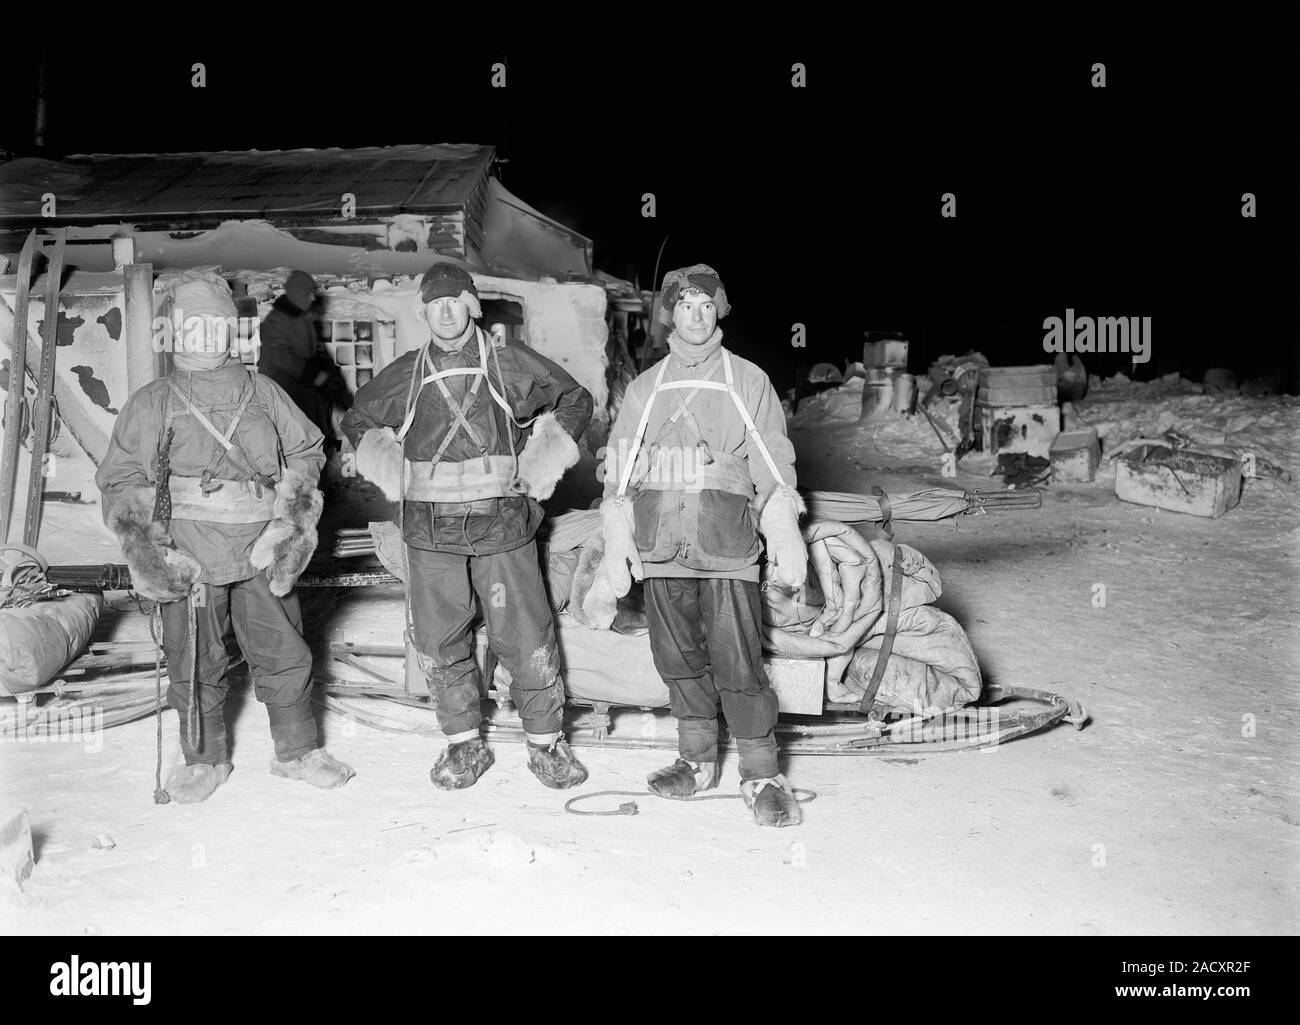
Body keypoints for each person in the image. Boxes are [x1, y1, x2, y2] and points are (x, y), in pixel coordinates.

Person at [95, 272, 353, 803]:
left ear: (232, 332)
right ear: (175, 332)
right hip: (187, 547)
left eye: (216, 326)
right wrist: (151, 552)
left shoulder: (263, 391)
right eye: (194, 326)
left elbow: (307, 453)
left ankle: (299, 749)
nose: (206, 336)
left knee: (284, 648)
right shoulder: (153, 401)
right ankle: (203, 759)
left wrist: (289, 524)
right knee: (193, 655)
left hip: (261, 541)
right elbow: (121, 480)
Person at [340, 262, 593, 791]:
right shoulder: (407, 373)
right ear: (424, 311)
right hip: (430, 535)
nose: (447, 311)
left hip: (502, 528)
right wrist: (392, 469)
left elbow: (575, 399)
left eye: (456, 300)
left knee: (524, 633)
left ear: (472, 306)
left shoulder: (508, 363)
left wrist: (541, 461)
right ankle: (463, 744)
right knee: (439, 639)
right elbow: (358, 419)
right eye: (436, 303)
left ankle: (547, 744)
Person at [600, 263, 809, 827]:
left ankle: (762, 772)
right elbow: (618, 465)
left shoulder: (748, 380)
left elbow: (773, 461)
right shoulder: (647, 387)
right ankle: (695, 761)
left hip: (727, 544)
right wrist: (617, 524)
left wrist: (783, 522)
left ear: (719, 312)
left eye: (707, 306)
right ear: (671, 314)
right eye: (686, 306)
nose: (697, 316)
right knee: (677, 658)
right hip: (661, 543)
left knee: (738, 658)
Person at [256, 269, 332, 439]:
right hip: (282, 395)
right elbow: (281, 356)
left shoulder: (303, 318)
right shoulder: (275, 320)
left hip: (301, 392)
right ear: (298, 293)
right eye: (309, 293)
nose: (313, 298)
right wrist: (313, 373)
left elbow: (311, 351)